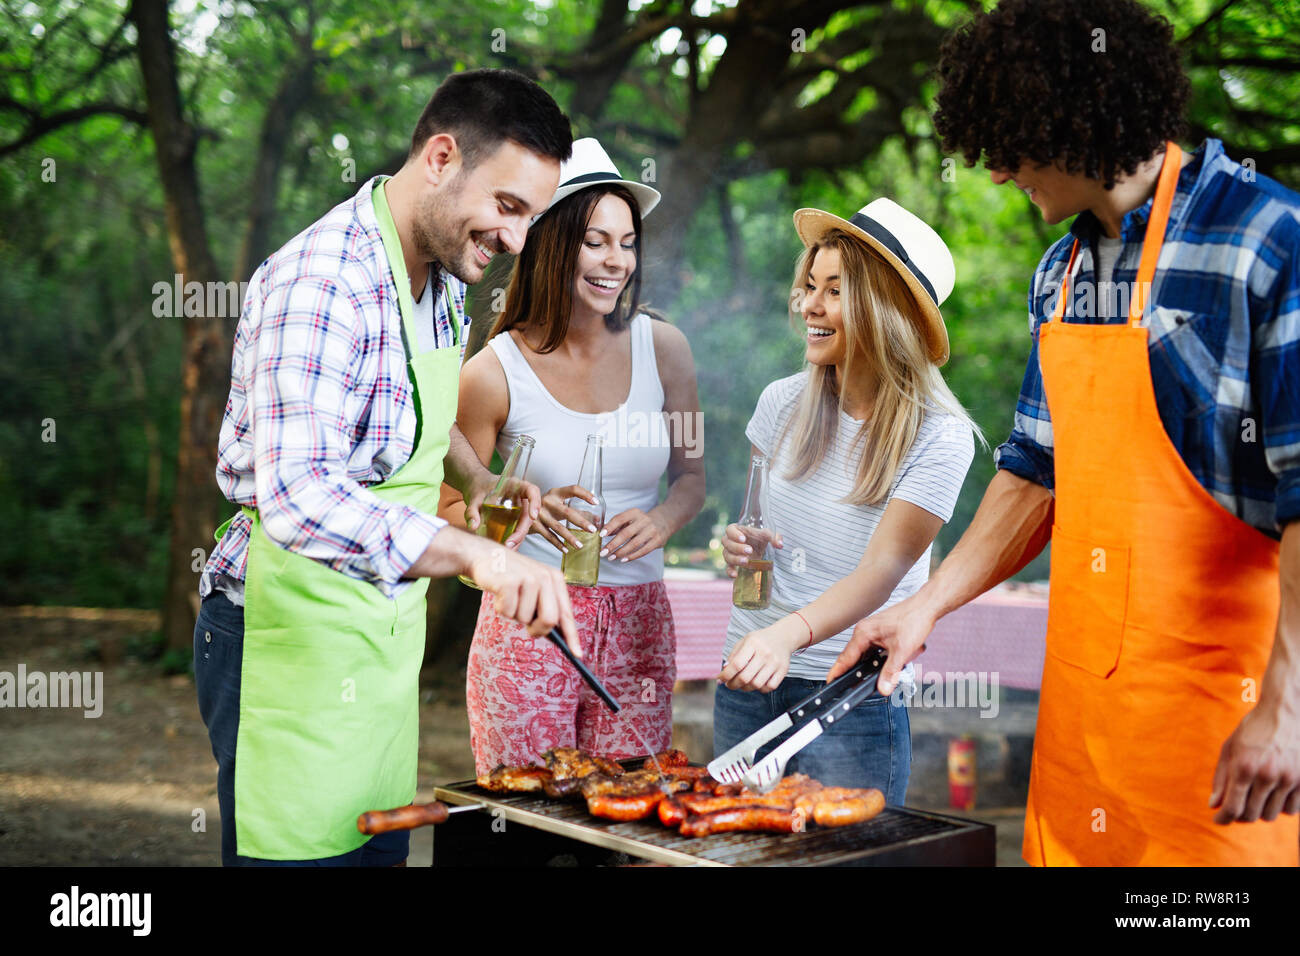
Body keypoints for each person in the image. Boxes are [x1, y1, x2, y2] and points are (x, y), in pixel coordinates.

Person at [832, 0, 1300, 865]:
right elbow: (1035, 474)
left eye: (1006, 150)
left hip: (1230, 732)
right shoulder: (1062, 273)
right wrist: (923, 606)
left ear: (1063, 121)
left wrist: (1289, 705)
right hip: (1085, 731)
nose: (1002, 176)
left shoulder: (1264, 243)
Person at [193, 69, 582, 866]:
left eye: (532, 218)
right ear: (441, 158)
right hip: (286, 631)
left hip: (375, 633)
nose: (516, 240)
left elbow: (419, 423)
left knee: (372, 850)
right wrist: (477, 553)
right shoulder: (323, 280)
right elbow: (299, 498)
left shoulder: (443, 279)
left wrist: (479, 482)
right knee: (299, 854)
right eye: (508, 208)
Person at [439, 138, 706, 773]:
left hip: (641, 625)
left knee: (627, 818)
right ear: (553, 242)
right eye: (595, 241)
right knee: (528, 822)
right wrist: (512, 515)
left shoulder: (668, 351)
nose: (617, 261)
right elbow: (448, 508)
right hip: (530, 625)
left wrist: (664, 520)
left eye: (627, 242)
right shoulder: (491, 373)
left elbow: (693, 479)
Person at [714, 198, 977, 804]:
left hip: (849, 697)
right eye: (809, 286)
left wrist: (787, 635)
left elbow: (881, 573)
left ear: (886, 310)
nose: (809, 305)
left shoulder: (939, 434)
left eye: (834, 290)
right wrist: (736, 543)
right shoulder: (779, 403)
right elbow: (754, 526)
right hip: (749, 677)